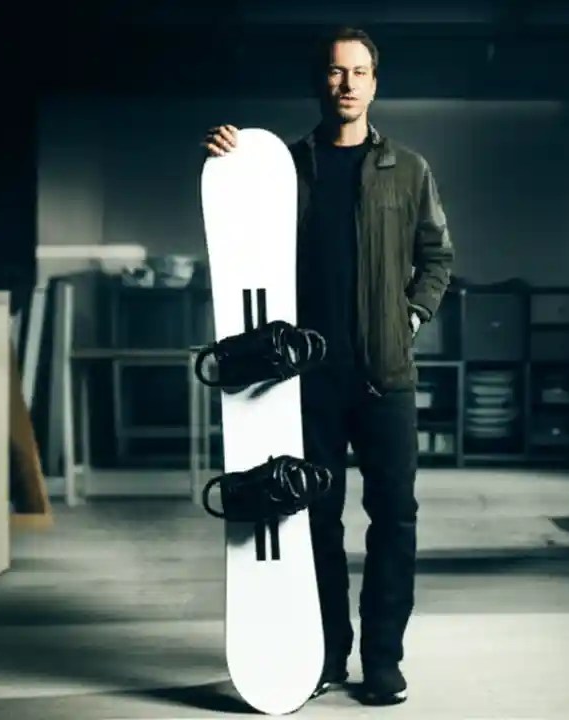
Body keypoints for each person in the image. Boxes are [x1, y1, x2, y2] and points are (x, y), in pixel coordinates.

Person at [201, 26, 455, 706]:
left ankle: (383, 661)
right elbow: (237, 230)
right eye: (336, 72)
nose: (347, 83)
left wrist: (410, 317)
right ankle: (325, 655)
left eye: (359, 72)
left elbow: (437, 257)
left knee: (394, 520)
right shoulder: (281, 168)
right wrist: (228, 161)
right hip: (304, 380)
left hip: (384, 374)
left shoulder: (408, 169)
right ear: (321, 81)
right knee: (314, 521)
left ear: (375, 83)